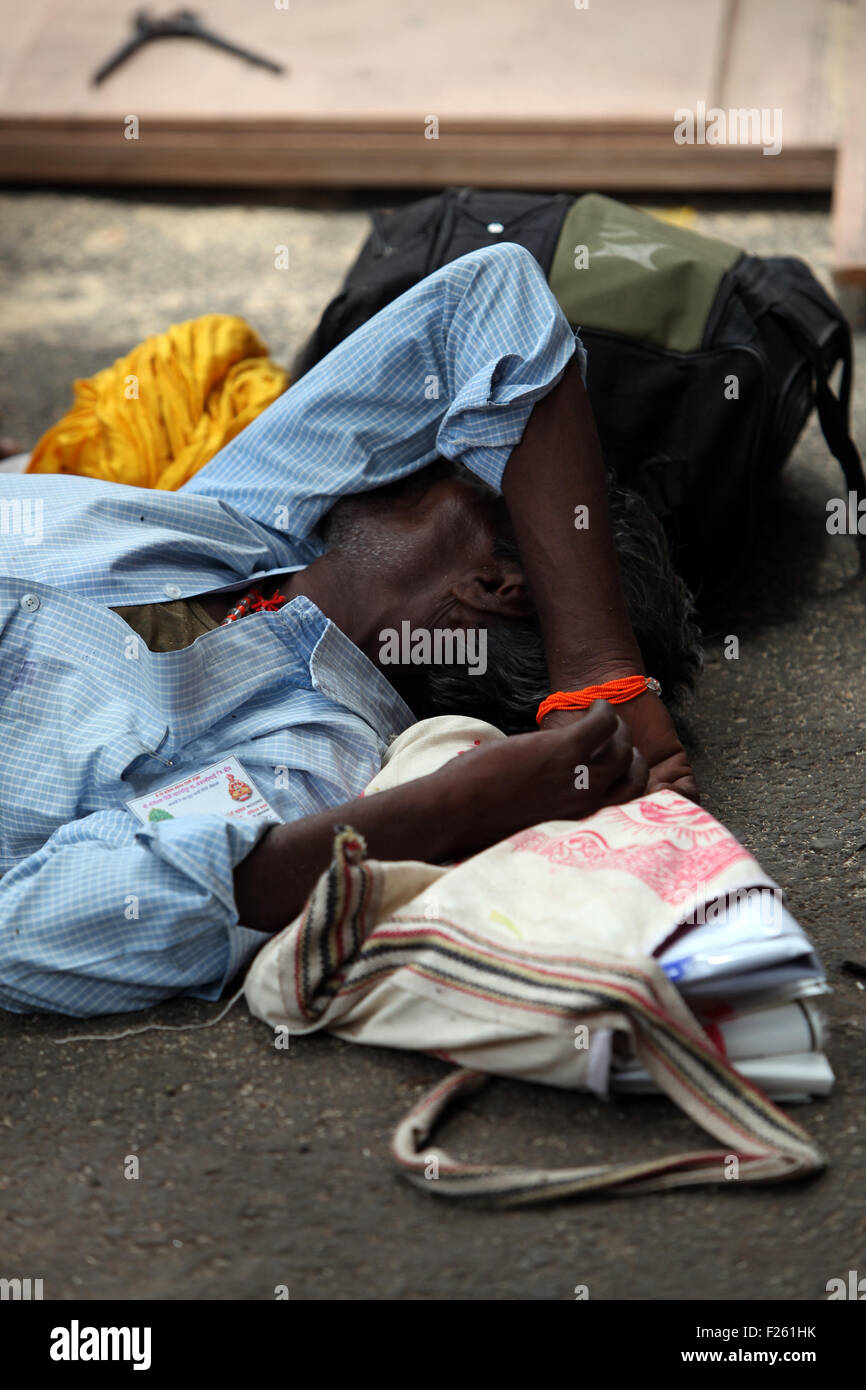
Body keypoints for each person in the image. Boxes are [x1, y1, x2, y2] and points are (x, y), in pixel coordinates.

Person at [0, 242, 698, 1017]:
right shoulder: (252, 519)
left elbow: (40, 925)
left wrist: (451, 809)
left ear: (496, 588)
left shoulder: (313, 749)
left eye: (465, 479)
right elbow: (488, 300)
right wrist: (597, 665)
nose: (434, 453)